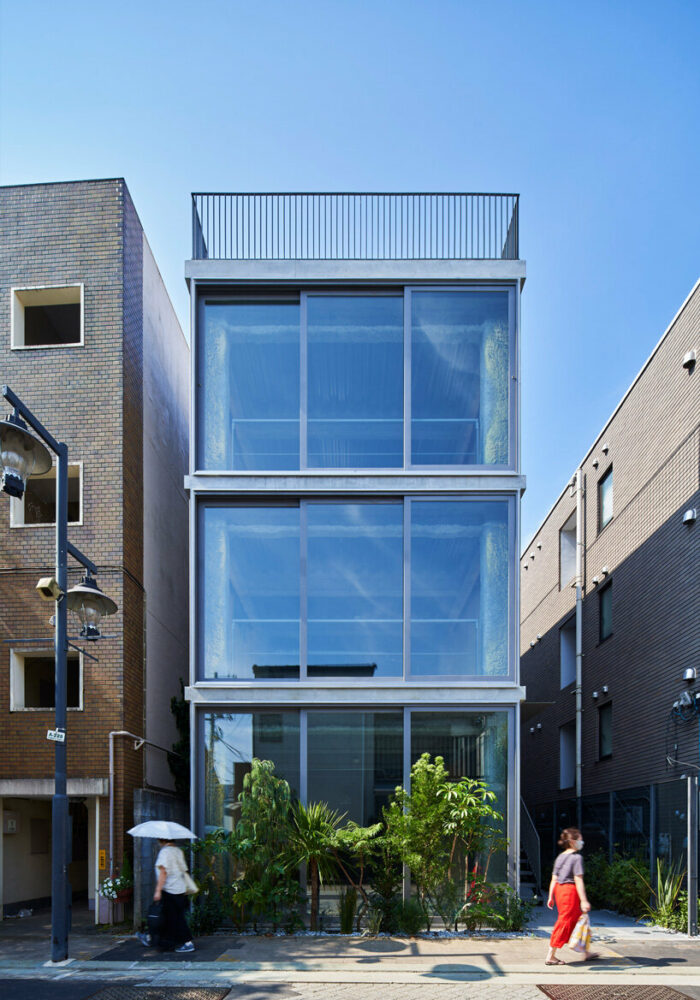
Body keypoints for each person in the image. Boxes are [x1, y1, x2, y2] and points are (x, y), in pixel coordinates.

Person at [545, 827, 598, 965]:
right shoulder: (576, 858)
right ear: (573, 842)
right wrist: (584, 900)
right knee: (566, 921)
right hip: (570, 892)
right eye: (580, 839)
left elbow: (554, 879)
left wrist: (550, 896)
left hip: (559, 891)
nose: (582, 842)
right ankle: (550, 955)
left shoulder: (560, 857)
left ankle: (586, 953)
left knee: (577, 920)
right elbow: (578, 879)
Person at [137, 838, 195, 953]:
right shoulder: (178, 851)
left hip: (170, 890)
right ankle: (151, 937)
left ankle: (187, 943)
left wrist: (158, 890)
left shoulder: (165, 852)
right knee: (171, 918)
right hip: (180, 889)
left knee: (171, 918)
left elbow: (163, 872)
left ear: (161, 840)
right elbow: (183, 870)